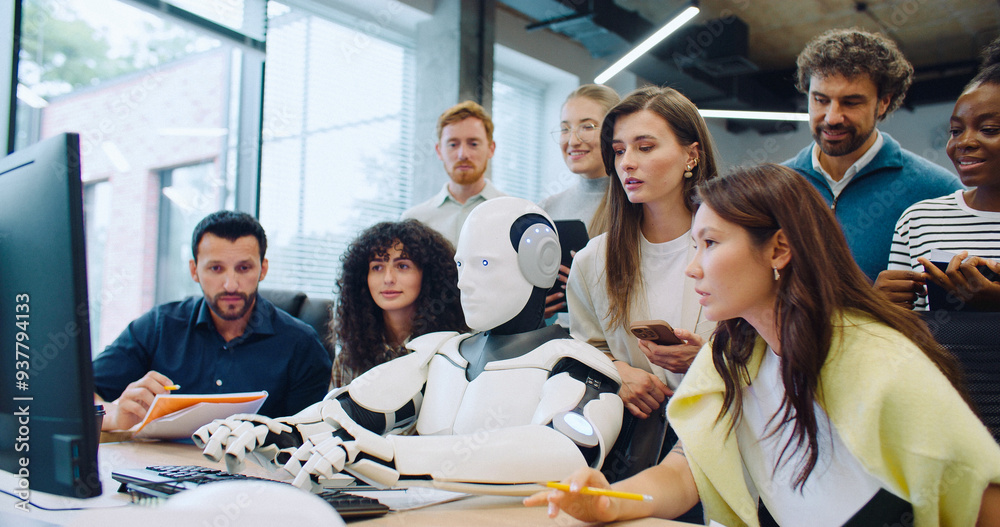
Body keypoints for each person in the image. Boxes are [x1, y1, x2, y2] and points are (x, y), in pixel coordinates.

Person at [526, 164, 1000, 526]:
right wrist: (609, 500)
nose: (693, 267)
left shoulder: (880, 361)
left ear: (778, 249)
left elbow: (984, 500)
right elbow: (687, 471)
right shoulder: (731, 354)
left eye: (710, 243)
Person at [194, 197, 625, 491]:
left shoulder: (576, 365)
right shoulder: (441, 353)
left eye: (484, 264)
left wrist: (396, 457)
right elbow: (351, 410)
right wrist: (282, 432)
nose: (465, 282)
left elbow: (567, 452)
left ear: (541, 262)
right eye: (461, 265)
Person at [93, 211, 332, 431]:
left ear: (263, 269)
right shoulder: (159, 327)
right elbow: (79, 394)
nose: (231, 285)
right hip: (158, 462)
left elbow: (308, 439)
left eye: (244, 268)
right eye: (216, 268)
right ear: (194, 270)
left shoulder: (301, 345)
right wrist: (114, 417)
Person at [566, 86, 718, 420]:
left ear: (691, 155)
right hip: (640, 436)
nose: (628, 163)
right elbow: (584, 349)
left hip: (726, 429)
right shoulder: (594, 259)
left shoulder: (735, 247)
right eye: (619, 151)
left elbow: (773, 352)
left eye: (645, 147)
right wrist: (617, 372)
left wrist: (709, 361)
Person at [783, 28, 962, 282]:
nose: (832, 117)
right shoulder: (774, 186)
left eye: (851, 102)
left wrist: (882, 303)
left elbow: (957, 296)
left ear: (884, 102)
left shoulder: (938, 191)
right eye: (820, 100)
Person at [878, 42, 1000, 311]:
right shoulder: (919, 220)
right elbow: (902, 323)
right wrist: (883, 306)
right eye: (956, 131)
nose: (964, 142)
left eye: (989, 129)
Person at [330, 219, 467, 387]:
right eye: (377, 267)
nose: (388, 279)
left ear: (428, 276)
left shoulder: (453, 352)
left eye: (402, 266)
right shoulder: (349, 356)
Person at [539, 84, 620, 317]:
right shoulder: (546, 208)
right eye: (565, 129)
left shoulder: (635, 206)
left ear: (615, 131)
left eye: (587, 126)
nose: (573, 140)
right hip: (556, 336)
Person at [401, 100, 505, 246]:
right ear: (439, 151)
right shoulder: (415, 221)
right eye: (453, 144)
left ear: (491, 149)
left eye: (473, 144)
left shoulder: (514, 213)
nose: (463, 154)